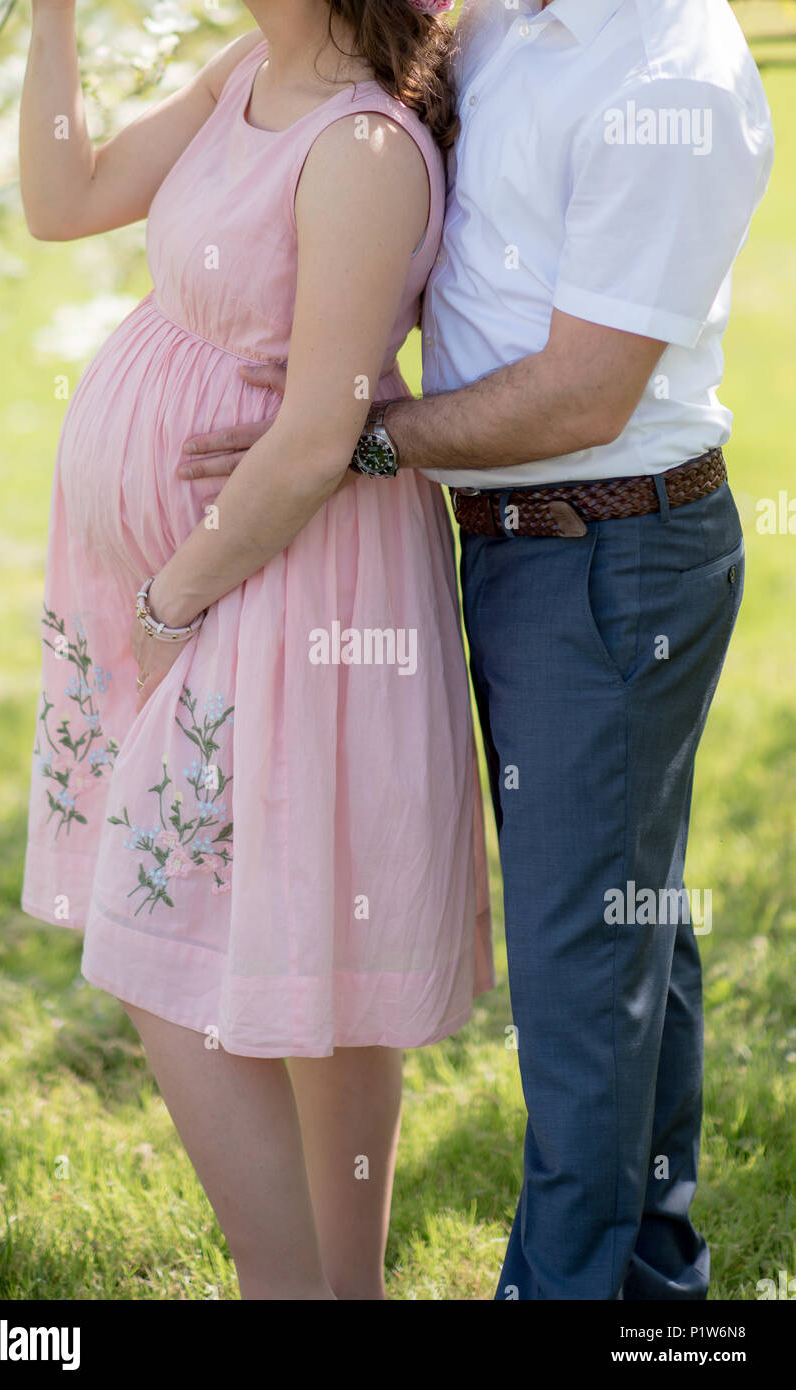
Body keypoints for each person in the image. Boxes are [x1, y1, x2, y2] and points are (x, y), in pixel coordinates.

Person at [184, 0, 775, 1299]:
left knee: (580, 984)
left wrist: (361, 439)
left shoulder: (670, 71)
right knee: (633, 934)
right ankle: (653, 1283)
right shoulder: (504, 19)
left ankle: (561, 1289)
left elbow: (583, 389)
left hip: (611, 552)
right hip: (525, 541)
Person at [19, 0, 494, 1302]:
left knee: (208, 932)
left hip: (287, 586)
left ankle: (302, 1288)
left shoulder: (362, 150)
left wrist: (170, 604)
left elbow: (313, 436)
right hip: (210, 579)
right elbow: (64, 199)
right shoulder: (248, 72)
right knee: (282, 936)